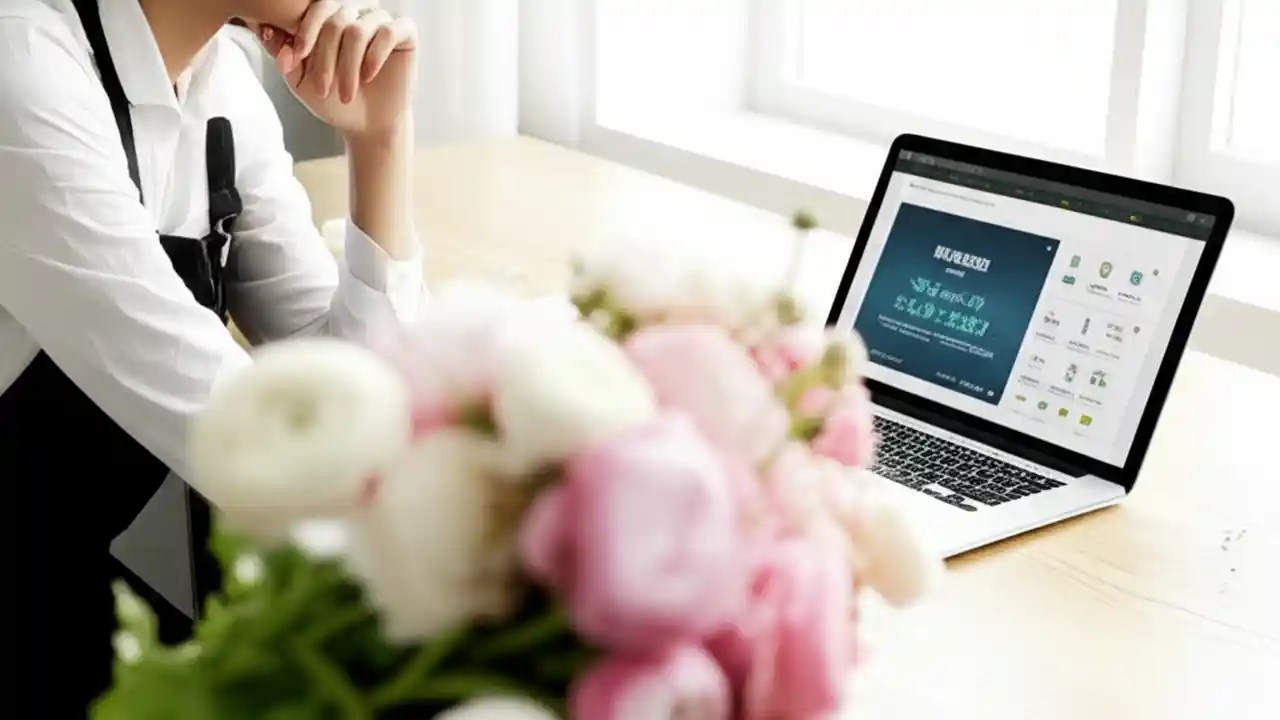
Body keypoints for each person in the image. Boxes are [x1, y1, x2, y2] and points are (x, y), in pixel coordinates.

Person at [0, 0, 425, 712]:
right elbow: (253, 444)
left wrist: (382, 139)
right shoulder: (22, 73)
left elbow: (357, 396)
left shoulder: (222, 84)